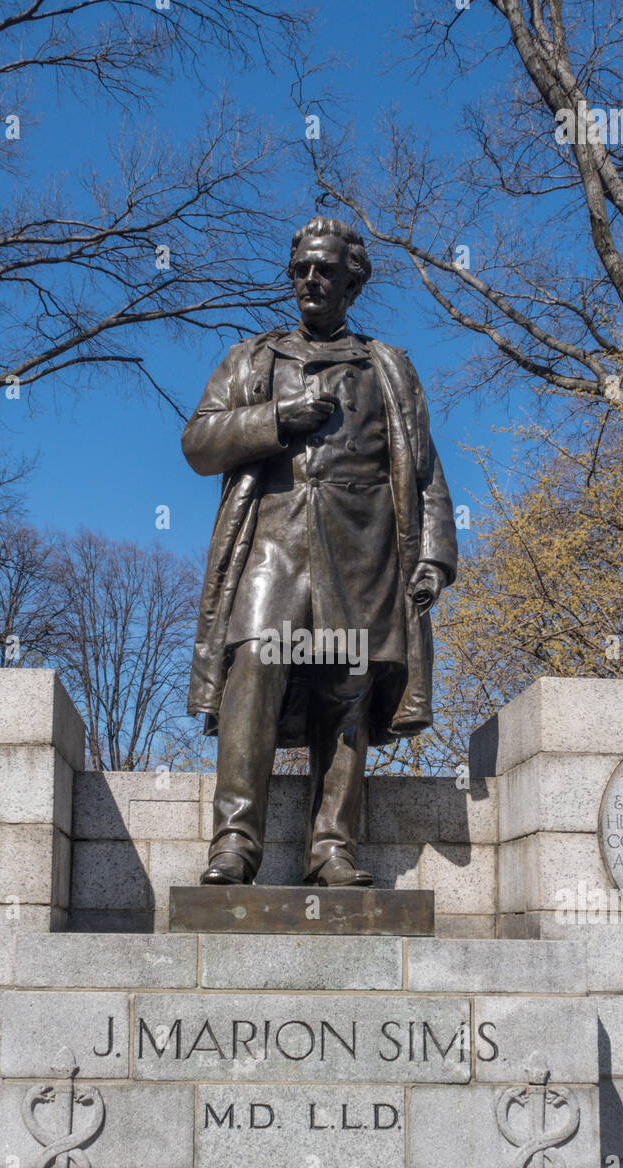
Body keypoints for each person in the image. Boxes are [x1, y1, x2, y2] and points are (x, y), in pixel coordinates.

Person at [182, 216, 457, 887]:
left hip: (363, 554)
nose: (310, 279)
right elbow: (198, 443)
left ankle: (332, 848)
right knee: (254, 670)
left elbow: (424, 472)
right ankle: (234, 844)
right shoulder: (253, 359)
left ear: (351, 282)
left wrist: (435, 556)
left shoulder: (388, 368)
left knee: (347, 693)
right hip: (270, 550)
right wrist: (277, 420)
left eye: (326, 269)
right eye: (301, 267)